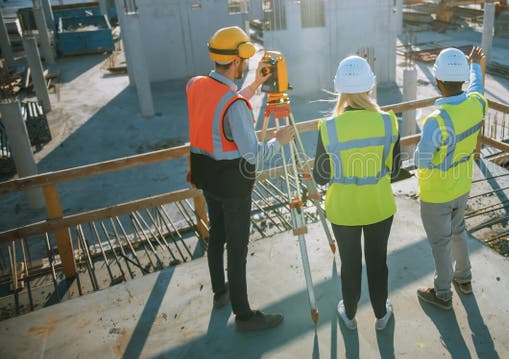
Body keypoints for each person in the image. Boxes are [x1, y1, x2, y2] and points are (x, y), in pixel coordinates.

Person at [186, 26, 294, 332]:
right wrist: (279, 141)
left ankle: (220, 293)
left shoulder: (195, 85)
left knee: (216, 235)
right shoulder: (234, 105)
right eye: (244, 61)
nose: (246, 65)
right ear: (236, 61)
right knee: (237, 248)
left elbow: (222, 105)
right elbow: (254, 155)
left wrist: (254, 85)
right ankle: (244, 316)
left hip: (207, 178)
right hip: (233, 185)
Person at [313, 55, 402, 331]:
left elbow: (320, 175)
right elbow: (396, 171)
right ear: (369, 87)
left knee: (350, 265)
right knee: (378, 263)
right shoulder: (388, 122)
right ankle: (381, 314)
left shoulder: (328, 128)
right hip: (379, 206)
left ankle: (349, 314)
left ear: (340, 89)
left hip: (343, 210)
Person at [415, 46, 487, 310]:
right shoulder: (476, 104)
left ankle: (443, 294)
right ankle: (464, 279)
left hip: (436, 194)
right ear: (463, 80)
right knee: (459, 232)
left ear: (437, 81)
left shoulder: (436, 121)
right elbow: (478, 87)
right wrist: (475, 65)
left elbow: (421, 159)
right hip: (462, 185)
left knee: (440, 243)